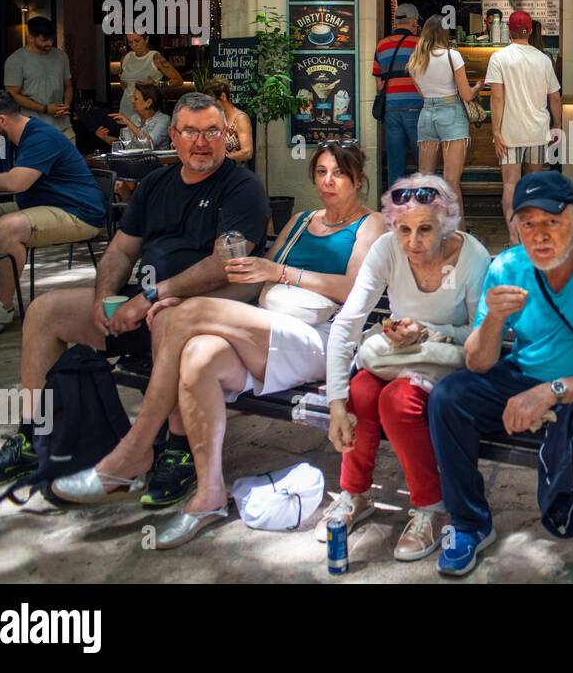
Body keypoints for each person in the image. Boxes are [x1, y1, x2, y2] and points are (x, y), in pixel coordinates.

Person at [53, 141, 387, 547]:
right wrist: (203, 306)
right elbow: (253, 284)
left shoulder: (372, 225)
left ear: (357, 178)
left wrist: (280, 272)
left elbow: (352, 289)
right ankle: (208, 494)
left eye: (339, 173)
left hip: (321, 338)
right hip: (267, 326)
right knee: (198, 355)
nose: (328, 182)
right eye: (321, 172)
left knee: (179, 315)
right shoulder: (300, 220)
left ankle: (135, 451)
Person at [0, 93, 269, 502]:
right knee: (45, 310)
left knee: (167, 314)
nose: (201, 142)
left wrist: (152, 296)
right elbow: (121, 249)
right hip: (140, 305)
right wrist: (107, 299)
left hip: (204, 314)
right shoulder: (157, 182)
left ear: (226, 135)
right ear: (173, 136)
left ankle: (178, 452)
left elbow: (222, 264)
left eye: (212, 132)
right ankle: (35, 437)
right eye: (190, 131)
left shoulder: (242, 186)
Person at [428, 173, 573, 584]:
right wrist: (493, 319)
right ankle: (469, 524)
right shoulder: (507, 267)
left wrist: (551, 393)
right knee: (449, 397)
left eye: (552, 221)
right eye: (528, 223)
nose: (540, 234)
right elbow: (478, 363)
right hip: (527, 377)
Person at [317, 175, 490, 561]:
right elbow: (348, 322)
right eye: (403, 229)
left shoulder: (473, 257)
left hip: (447, 361)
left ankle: (430, 506)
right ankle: (355, 494)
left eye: (425, 229)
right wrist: (335, 404)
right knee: (360, 391)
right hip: (399, 357)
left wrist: (427, 332)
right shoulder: (386, 249)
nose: (413, 242)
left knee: (399, 400)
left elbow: (480, 335)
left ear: (446, 224)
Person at [0, 91, 105, 329]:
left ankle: (1, 307)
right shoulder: (5, 140)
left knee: (8, 227)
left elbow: (16, 182)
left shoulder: (40, 137)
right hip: (39, 206)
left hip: (77, 211)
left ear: (2, 120)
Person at [486, 9, 562, 234]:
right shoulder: (543, 59)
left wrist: (496, 131)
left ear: (508, 30)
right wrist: (556, 125)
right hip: (537, 132)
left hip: (510, 132)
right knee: (534, 185)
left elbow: (497, 97)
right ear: (529, 31)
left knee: (510, 185)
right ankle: (533, 234)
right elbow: (555, 96)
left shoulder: (499, 57)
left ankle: (514, 238)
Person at [407, 17, 483, 225]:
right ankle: (459, 233)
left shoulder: (416, 59)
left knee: (425, 179)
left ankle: (424, 229)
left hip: (427, 115)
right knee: (451, 182)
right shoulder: (453, 56)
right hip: (451, 115)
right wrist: (477, 87)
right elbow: (466, 95)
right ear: (444, 33)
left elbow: (423, 94)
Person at [374, 3, 423, 187]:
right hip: (416, 108)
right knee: (425, 165)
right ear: (414, 22)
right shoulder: (420, 45)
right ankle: (424, 209)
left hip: (391, 110)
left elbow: (379, 84)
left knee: (395, 166)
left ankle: (394, 212)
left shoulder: (381, 45)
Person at [4, 15, 74, 140]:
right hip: (33, 127)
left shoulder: (61, 56)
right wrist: (45, 109)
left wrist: (66, 105)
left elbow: (68, 85)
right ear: (31, 37)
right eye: (44, 40)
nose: (50, 43)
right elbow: (13, 94)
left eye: (51, 39)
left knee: (72, 159)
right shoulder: (16, 60)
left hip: (64, 126)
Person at [116, 29, 183, 120]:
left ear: (146, 39)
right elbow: (123, 83)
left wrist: (158, 85)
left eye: (137, 41)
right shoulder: (126, 58)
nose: (134, 45)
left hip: (146, 112)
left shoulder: (155, 58)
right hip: (126, 109)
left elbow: (178, 80)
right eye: (130, 42)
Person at [98, 81, 170, 150]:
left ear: (148, 102)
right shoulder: (134, 118)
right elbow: (125, 144)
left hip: (155, 162)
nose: (132, 101)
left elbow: (149, 144)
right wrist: (105, 137)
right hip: (133, 161)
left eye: (136, 99)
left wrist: (129, 123)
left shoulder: (164, 120)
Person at [202, 77, 254, 165]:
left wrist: (221, 160)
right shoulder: (215, 118)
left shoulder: (240, 118)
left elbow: (247, 152)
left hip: (235, 172)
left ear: (223, 97)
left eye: (212, 102)